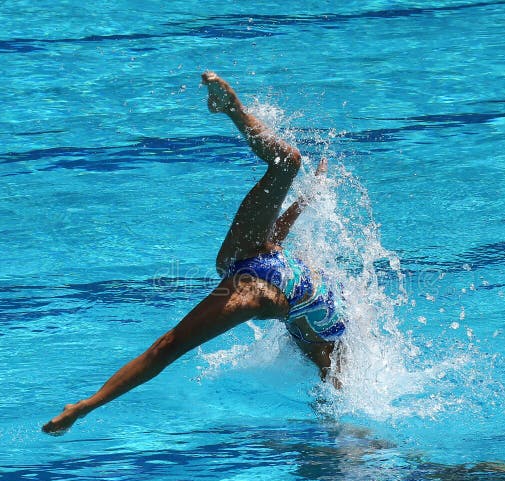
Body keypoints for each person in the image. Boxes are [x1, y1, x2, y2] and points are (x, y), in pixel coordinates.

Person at [42, 72, 346, 435]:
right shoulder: (334, 354)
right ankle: (231, 110)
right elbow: (277, 243)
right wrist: (305, 201)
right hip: (261, 259)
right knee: (287, 164)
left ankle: (84, 407)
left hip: (258, 283)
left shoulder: (324, 355)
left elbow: (165, 349)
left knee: (288, 164)